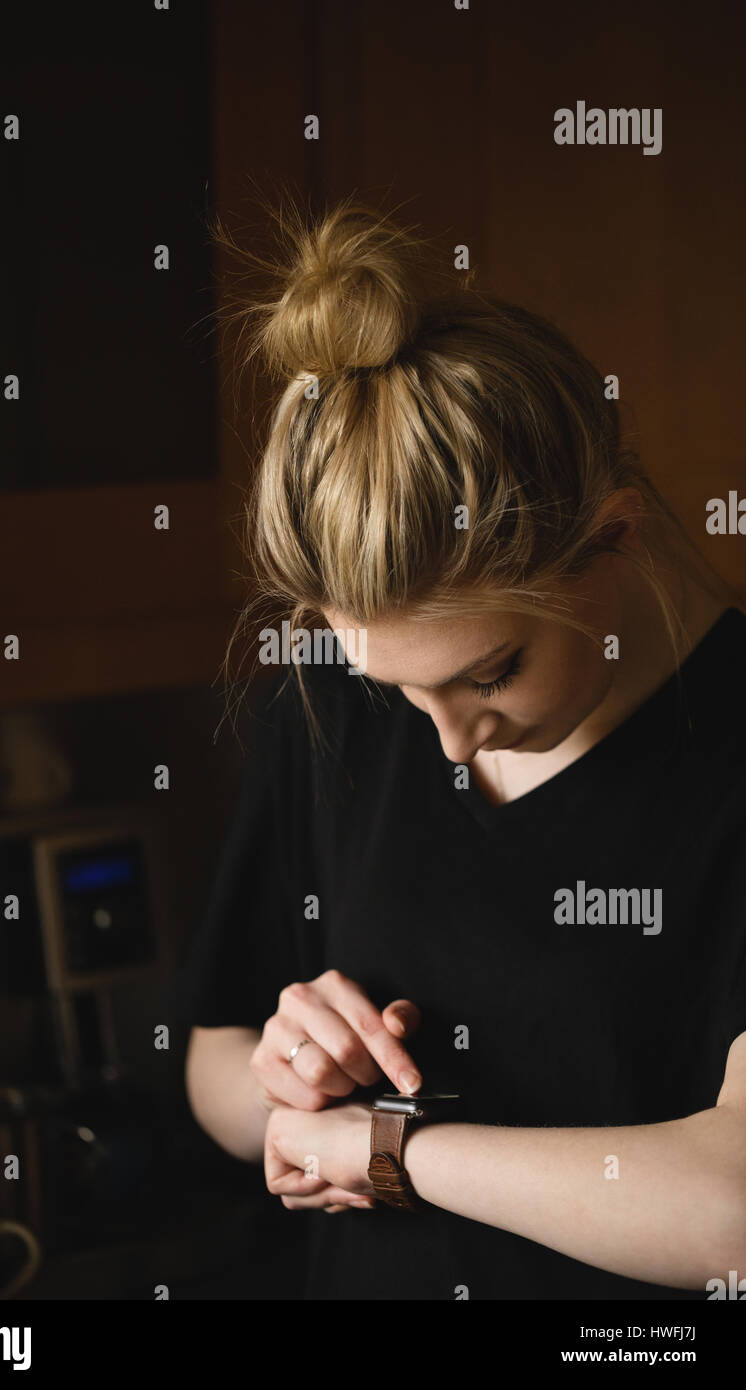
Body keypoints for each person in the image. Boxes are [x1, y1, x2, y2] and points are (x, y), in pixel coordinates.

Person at [183, 197, 746, 1300]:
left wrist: (389, 1151)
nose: (445, 737)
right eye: (396, 686)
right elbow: (213, 1061)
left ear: (610, 541)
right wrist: (290, 1089)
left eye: (490, 672)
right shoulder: (331, 703)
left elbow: (732, 1212)